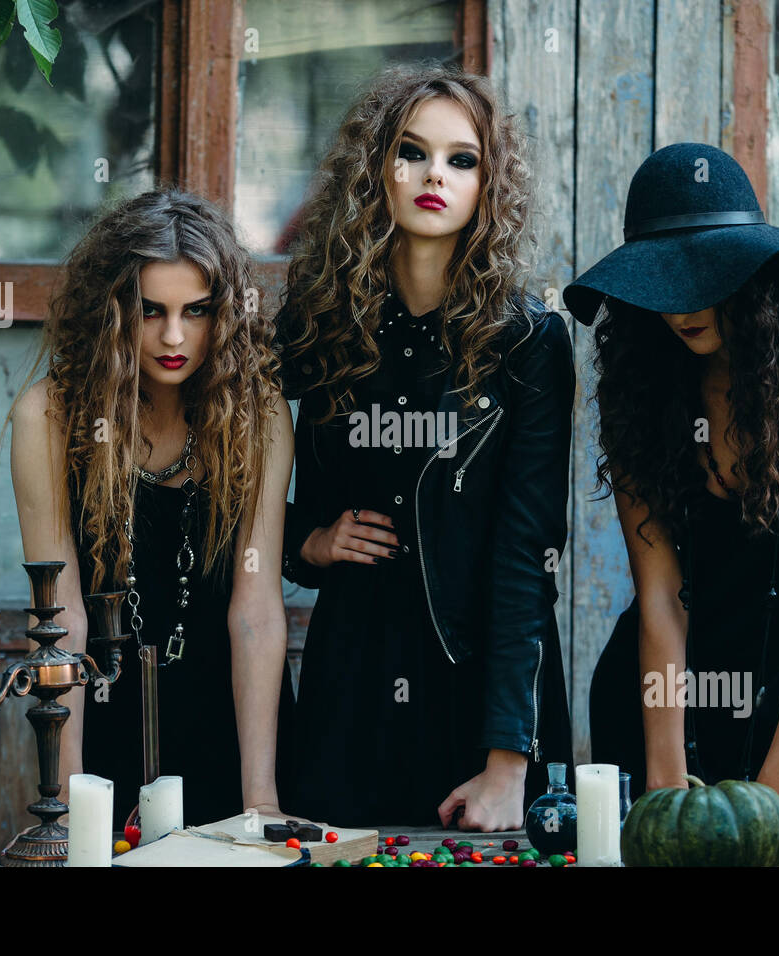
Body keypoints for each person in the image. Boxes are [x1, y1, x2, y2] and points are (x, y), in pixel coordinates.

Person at [563, 143, 779, 865]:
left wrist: (770, 804)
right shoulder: (639, 392)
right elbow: (661, 598)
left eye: (704, 279)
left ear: (757, 276)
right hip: (655, 707)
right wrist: (662, 786)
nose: (681, 305)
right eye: (659, 284)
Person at [276, 64, 575, 830]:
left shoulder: (530, 343)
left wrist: (509, 761)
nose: (433, 175)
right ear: (376, 170)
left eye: (461, 159)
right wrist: (306, 541)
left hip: (477, 684)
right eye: (411, 152)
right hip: (352, 678)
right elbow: (235, 494)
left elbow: (527, 553)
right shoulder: (318, 326)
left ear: (488, 184)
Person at [5, 188, 297, 823]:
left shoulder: (259, 415)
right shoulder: (49, 418)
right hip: (108, 722)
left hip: (234, 722)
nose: (173, 336)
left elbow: (256, 610)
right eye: (149, 311)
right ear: (111, 311)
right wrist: (69, 798)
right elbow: (62, 621)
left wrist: (262, 799)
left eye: (196, 311)